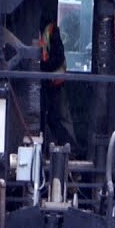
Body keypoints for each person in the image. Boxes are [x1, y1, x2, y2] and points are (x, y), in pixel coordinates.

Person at [38, 18, 78, 151]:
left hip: (54, 82)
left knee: (57, 117)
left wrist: (44, 68)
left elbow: (58, 56)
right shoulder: (48, 31)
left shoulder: (51, 30)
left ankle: (70, 147)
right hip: (51, 81)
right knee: (54, 117)